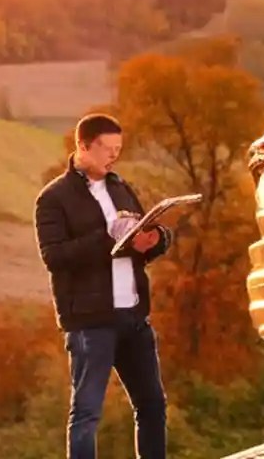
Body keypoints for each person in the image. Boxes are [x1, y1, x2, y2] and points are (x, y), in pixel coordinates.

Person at [33, 113, 175, 459]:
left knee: (152, 405)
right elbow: (54, 257)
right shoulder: (53, 198)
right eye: (107, 149)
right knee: (86, 413)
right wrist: (106, 237)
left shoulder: (120, 187)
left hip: (133, 316)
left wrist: (155, 239)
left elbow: (144, 233)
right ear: (82, 146)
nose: (114, 156)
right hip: (90, 322)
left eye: (118, 149)